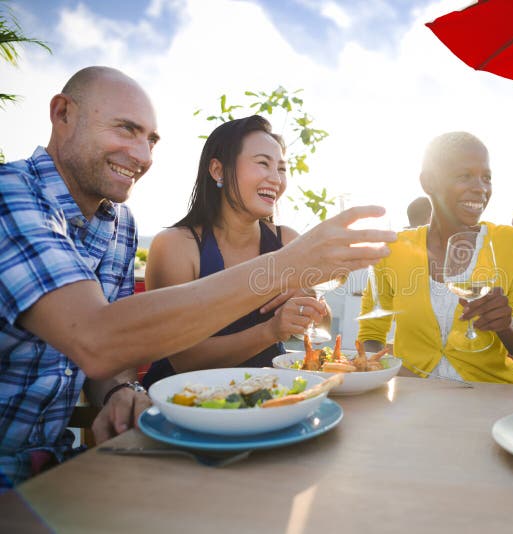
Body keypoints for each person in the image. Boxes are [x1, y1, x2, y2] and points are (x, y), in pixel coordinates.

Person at [0, 66, 394, 489]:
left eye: (150, 140)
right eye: (126, 130)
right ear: (63, 114)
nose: (143, 156)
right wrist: (285, 269)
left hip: (58, 460)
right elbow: (96, 340)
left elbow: (110, 361)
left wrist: (116, 392)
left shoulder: (119, 225)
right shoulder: (12, 197)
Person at [141, 116, 325, 388]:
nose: (276, 179)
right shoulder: (176, 245)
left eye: (282, 169)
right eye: (263, 163)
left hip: (267, 399)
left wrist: (307, 301)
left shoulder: (287, 240)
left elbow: (324, 316)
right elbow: (183, 358)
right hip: (186, 405)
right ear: (218, 171)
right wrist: (271, 331)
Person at [357, 132, 513, 383]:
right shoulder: (394, 248)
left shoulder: (507, 241)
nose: (480, 188)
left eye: (486, 178)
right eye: (464, 176)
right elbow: (371, 334)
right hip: (412, 400)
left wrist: (506, 325)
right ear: (428, 182)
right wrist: (392, 375)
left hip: (487, 399)